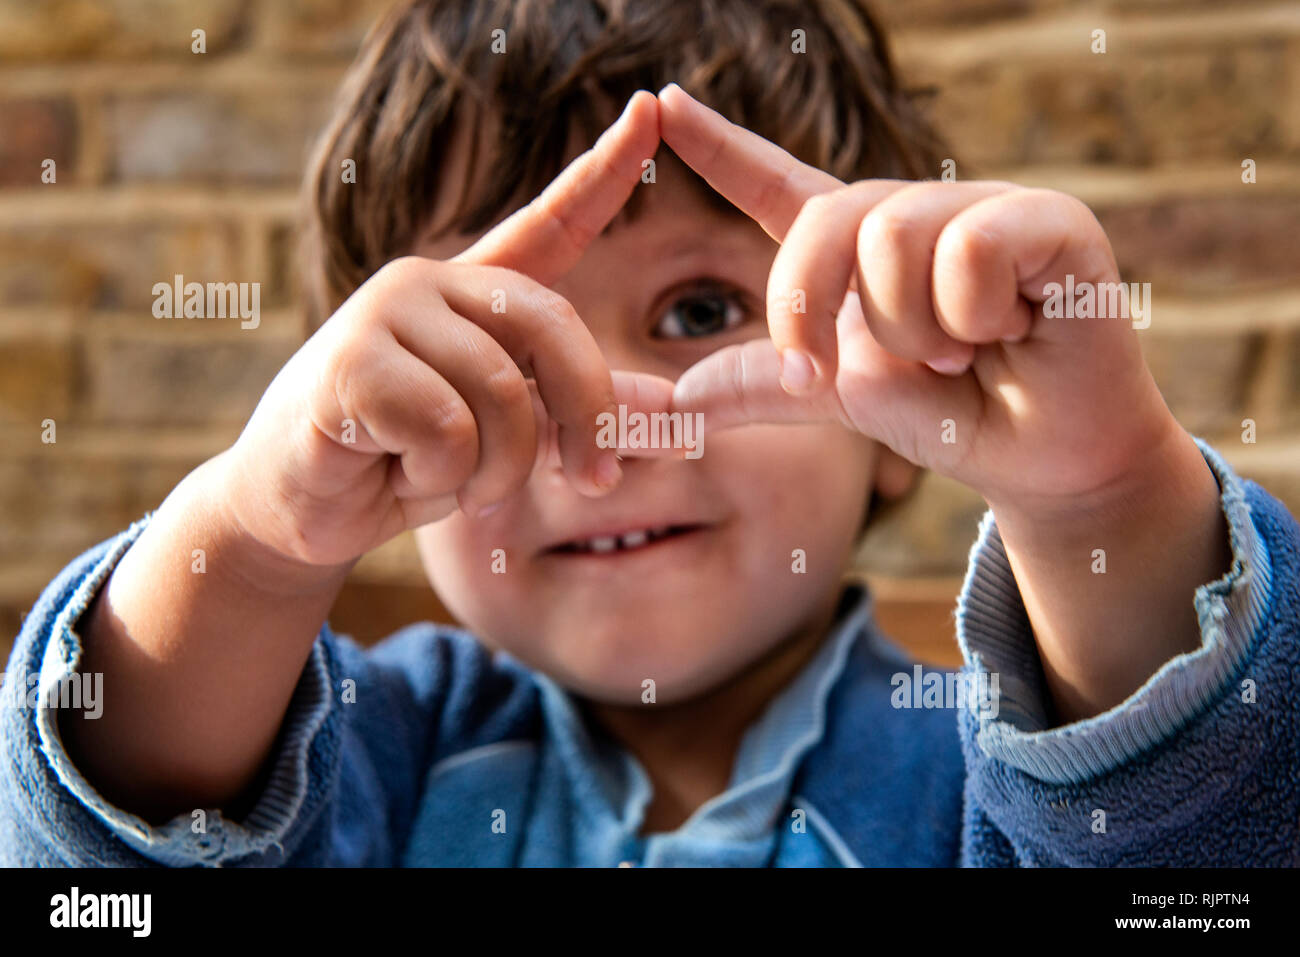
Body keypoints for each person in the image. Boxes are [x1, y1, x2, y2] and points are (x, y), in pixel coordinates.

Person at [2, 0, 1296, 866]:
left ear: (902, 418)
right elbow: (97, 862)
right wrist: (259, 538)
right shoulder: (371, 752)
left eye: (699, 308)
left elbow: (1214, 845)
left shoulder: (989, 771)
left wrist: (1098, 499)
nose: (604, 422)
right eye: (503, 344)